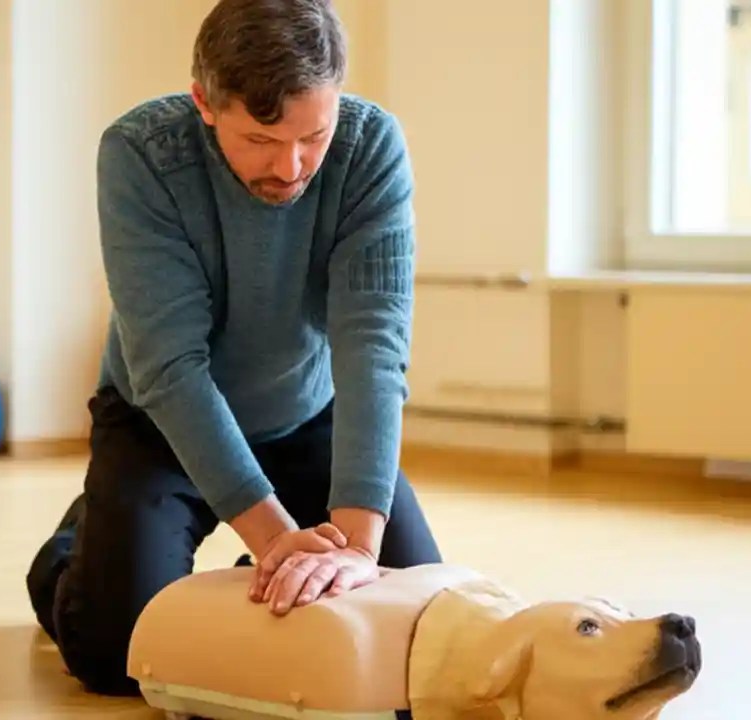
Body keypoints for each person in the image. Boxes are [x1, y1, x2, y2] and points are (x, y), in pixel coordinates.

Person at [25, 0, 443, 697]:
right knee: (115, 658)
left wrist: (359, 552)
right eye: (261, 140)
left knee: (405, 621)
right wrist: (277, 542)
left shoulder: (371, 146)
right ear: (205, 104)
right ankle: (76, 546)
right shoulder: (139, 154)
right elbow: (168, 363)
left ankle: (155, 529)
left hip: (307, 416)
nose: (291, 166)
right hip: (159, 422)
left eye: (314, 134)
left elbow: (373, 346)